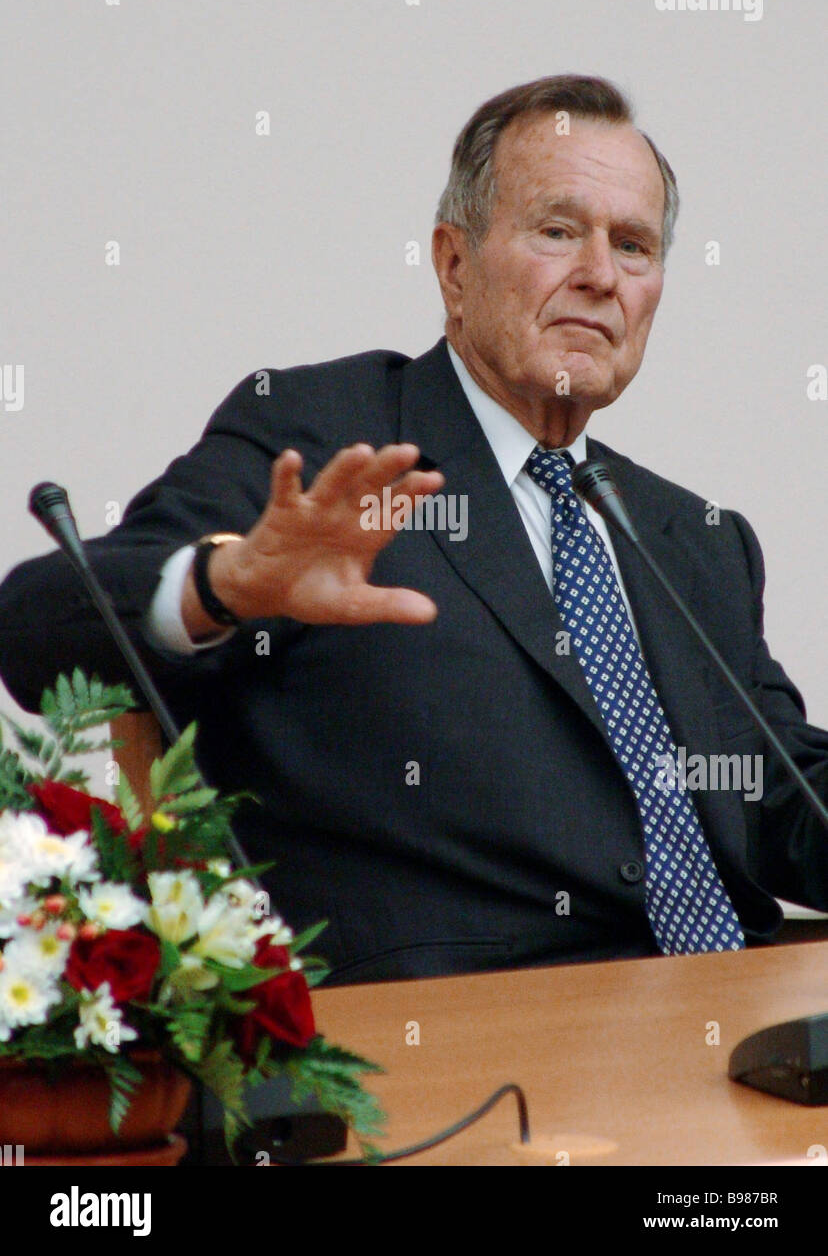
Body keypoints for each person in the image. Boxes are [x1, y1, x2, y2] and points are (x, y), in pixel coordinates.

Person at [0, 75, 825, 985]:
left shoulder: (693, 537)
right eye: (558, 231)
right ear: (455, 264)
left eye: (632, 245)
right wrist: (223, 586)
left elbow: (782, 799)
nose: (600, 273)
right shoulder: (322, 440)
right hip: (458, 1060)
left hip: (734, 1044)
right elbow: (39, 627)